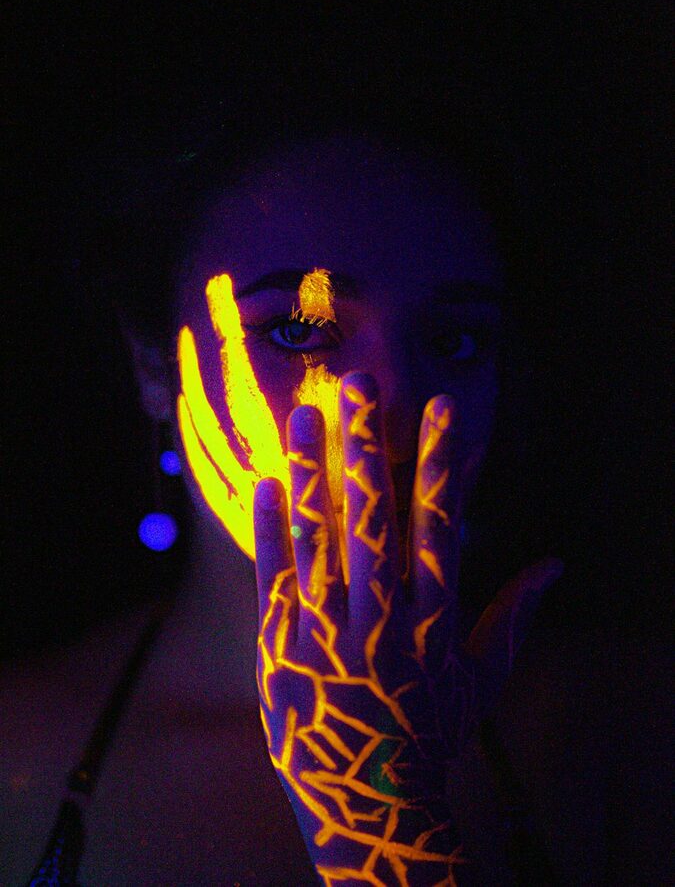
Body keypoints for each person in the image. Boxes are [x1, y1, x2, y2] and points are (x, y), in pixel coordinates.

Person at [1, 130, 667, 885]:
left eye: (453, 340)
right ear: (154, 363)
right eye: (299, 332)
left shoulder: (615, 733)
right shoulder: (17, 755)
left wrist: (378, 822)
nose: (388, 399)